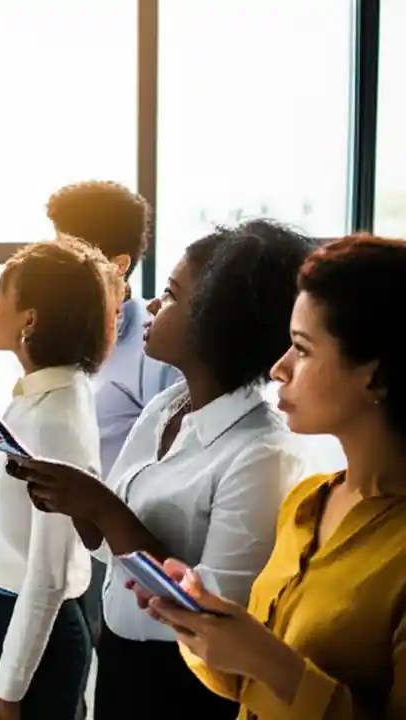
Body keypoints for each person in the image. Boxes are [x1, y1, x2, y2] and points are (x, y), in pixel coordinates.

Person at [9, 219, 312, 718]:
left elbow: (214, 616)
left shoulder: (261, 454)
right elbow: (109, 546)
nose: (151, 305)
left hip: (185, 684)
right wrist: (69, 496)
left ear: (216, 320)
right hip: (123, 660)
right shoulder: (168, 406)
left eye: (171, 295)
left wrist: (101, 506)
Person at [137, 234, 406, 720]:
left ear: (378, 376)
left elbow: (275, 674)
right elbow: (248, 687)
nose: (279, 368)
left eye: (302, 349)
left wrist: (271, 661)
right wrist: (204, 623)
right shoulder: (308, 503)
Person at [0, 238, 119, 720]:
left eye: (0, 294)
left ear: (29, 318)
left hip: (28, 630)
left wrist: (9, 690)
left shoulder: (54, 418)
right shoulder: (47, 391)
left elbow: (49, 576)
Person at [45, 182, 183, 693]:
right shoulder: (64, 333)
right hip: (64, 542)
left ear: (119, 264)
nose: (55, 266)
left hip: (118, 554)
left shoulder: (154, 346)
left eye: (69, 253)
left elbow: (171, 454)